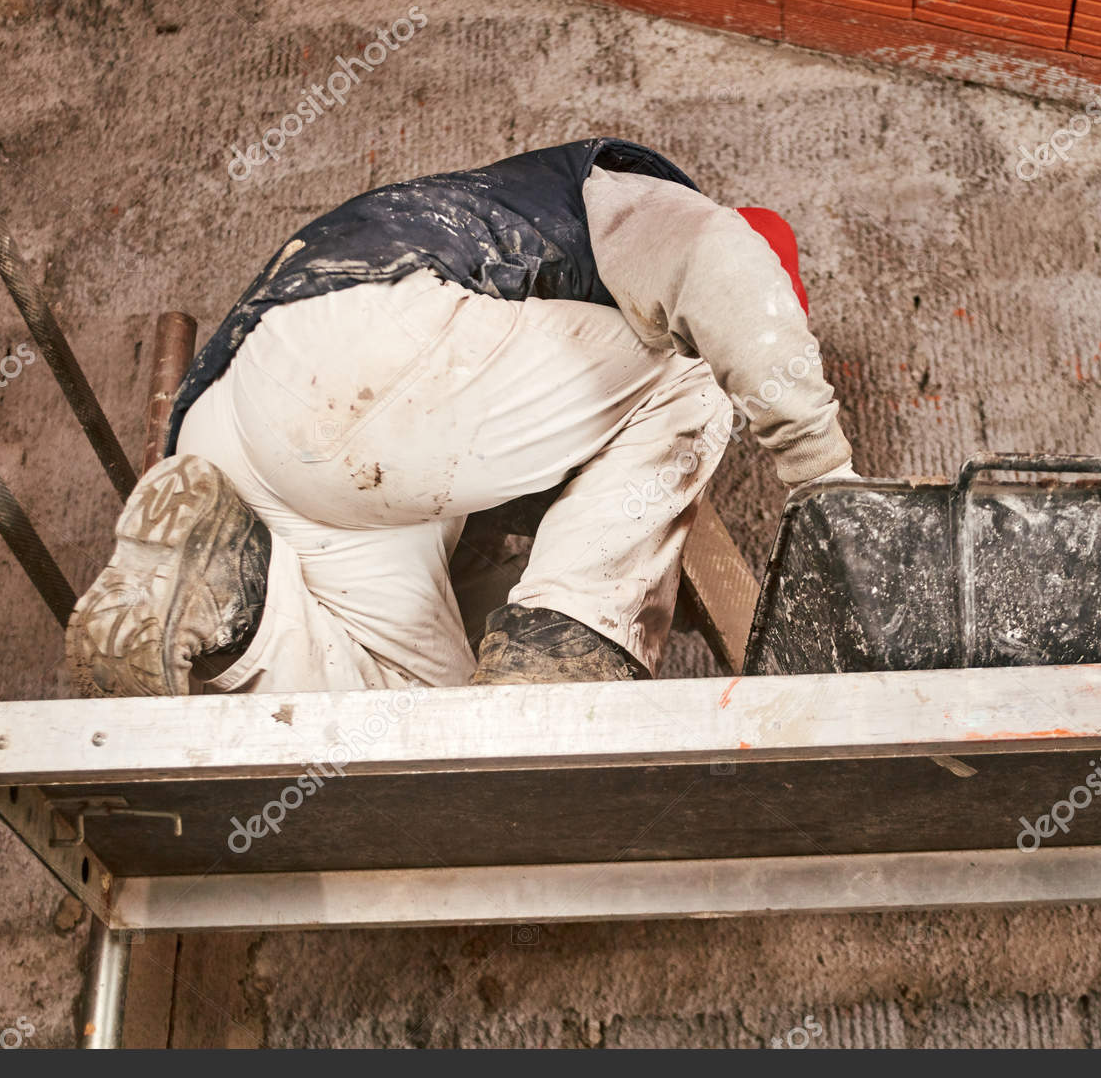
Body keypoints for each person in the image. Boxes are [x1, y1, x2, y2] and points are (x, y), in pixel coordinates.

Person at [66, 138, 853, 697]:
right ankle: (577, 634)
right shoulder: (636, 197)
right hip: (359, 349)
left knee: (423, 718)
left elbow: (456, 473)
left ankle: (229, 593)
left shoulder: (515, 394)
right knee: (690, 373)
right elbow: (722, 264)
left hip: (238, 459)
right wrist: (831, 486)